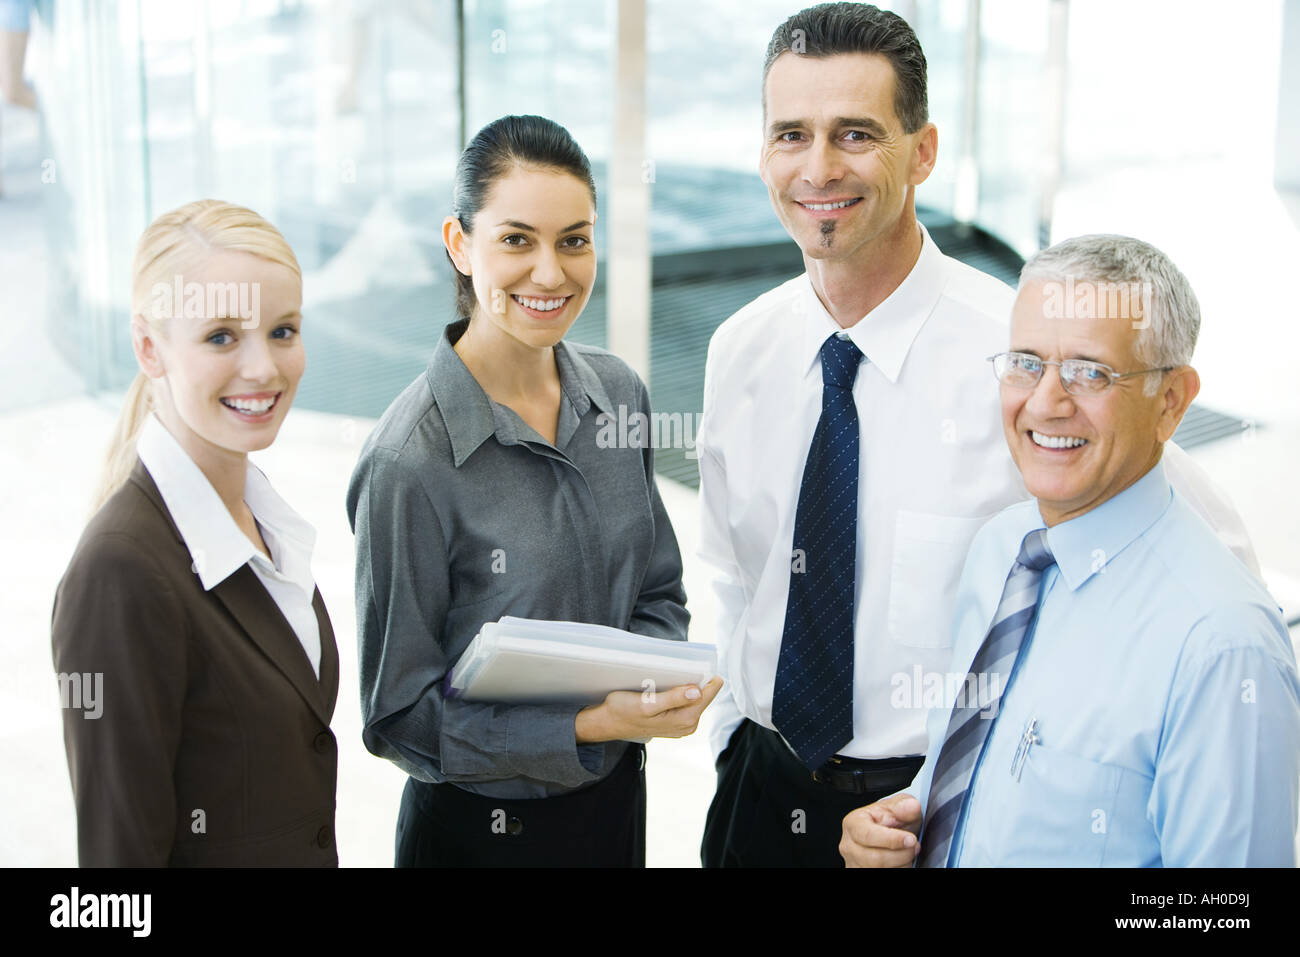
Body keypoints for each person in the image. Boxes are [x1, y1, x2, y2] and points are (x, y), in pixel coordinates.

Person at [697, 1, 1263, 868]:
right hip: (760, 799)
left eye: (855, 134)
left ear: (923, 150)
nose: (818, 168)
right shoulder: (739, 349)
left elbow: (1195, 554)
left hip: (924, 814)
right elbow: (739, 580)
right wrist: (736, 742)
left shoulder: (1028, 362)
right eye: (790, 134)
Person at [840, 235, 1300, 867]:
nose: (1047, 402)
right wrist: (905, 820)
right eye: (1026, 362)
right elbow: (987, 767)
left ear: (1171, 401)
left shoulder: (1223, 648)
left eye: (1091, 373)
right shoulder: (1002, 549)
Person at [347, 114, 722, 868]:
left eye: (574, 240)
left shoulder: (619, 393)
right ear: (460, 244)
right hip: (476, 839)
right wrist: (584, 723)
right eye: (517, 240)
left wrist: (653, 679)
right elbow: (397, 718)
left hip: (615, 814)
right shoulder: (407, 463)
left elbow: (657, 591)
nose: (550, 273)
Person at [51, 199, 340, 866]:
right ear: (149, 347)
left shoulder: (260, 519)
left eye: (283, 330)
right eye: (220, 337)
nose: (264, 368)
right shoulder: (120, 574)